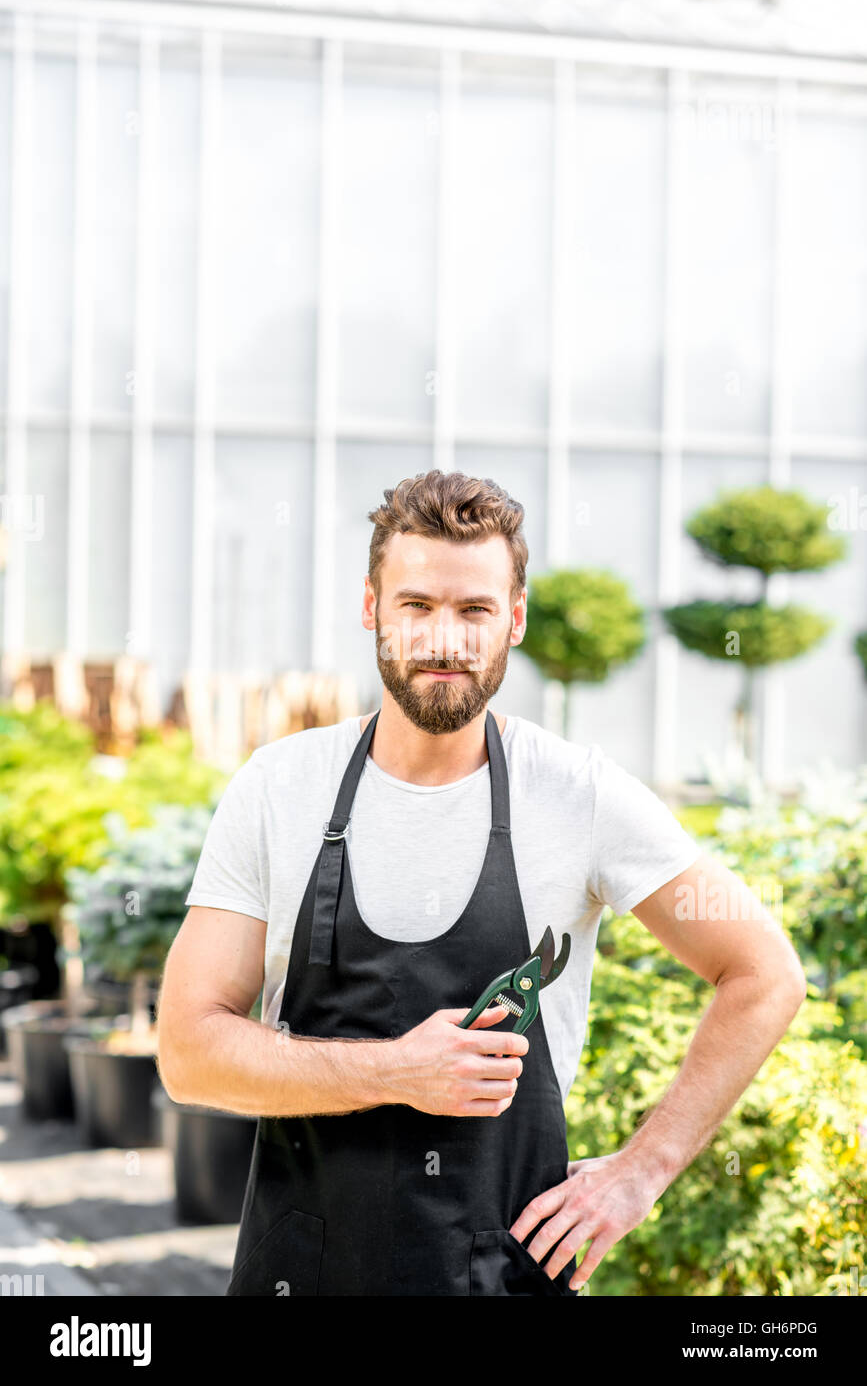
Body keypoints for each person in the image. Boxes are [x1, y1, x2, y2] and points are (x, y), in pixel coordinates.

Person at [156, 468, 806, 1297]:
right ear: (371, 609)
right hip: (300, 1271)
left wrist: (642, 1172)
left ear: (515, 620)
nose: (445, 641)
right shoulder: (280, 787)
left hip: (499, 1277)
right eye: (416, 606)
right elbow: (187, 1052)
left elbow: (764, 973)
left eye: (474, 611)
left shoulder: (578, 795)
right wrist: (396, 1070)